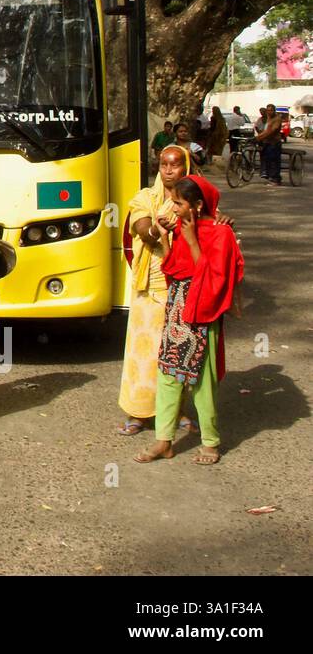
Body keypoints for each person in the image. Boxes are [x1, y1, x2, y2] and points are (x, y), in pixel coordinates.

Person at [136, 175, 243, 465]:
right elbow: (173, 268)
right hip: (177, 311)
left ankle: (210, 442)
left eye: (179, 202)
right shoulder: (183, 229)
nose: (174, 206)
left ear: (197, 205)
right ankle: (164, 441)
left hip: (203, 315)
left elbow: (211, 279)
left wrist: (193, 238)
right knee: (168, 375)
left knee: (202, 380)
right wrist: (166, 237)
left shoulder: (221, 235)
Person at [118, 145, 191, 435]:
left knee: (177, 349)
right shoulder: (144, 198)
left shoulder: (194, 202)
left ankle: (176, 410)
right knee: (145, 350)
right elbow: (144, 230)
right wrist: (159, 228)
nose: (169, 170)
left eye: (175, 165)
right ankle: (139, 412)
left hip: (185, 284)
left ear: (186, 169)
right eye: (164, 164)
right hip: (151, 284)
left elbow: (208, 229)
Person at [255, 103, 284, 185]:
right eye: (268, 110)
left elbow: (272, 131)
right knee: (267, 160)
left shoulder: (277, 119)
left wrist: (259, 137)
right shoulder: (268, 119)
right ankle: (270, 177)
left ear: (274, 111)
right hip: (267, 142)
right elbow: (265, 131)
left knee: (274, 161)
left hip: (274, 143)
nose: (269, 112)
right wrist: (258, 137)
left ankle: (276, 179)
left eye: (271, 110)